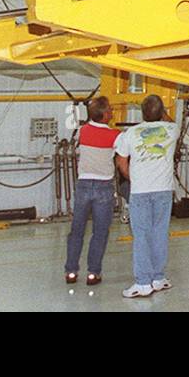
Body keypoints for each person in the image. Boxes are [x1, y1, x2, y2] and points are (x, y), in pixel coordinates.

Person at [115, 94, 177, 298]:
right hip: (164, 190)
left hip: (140, 191)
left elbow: (121, 162)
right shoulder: (171, 130)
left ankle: (143, 283)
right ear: (161, 112)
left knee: (141, 236)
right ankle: (158, 278)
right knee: (160, 232)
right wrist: (162, 114)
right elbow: (169, 120)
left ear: (142, 113)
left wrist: (132, 178)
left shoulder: (130, 134)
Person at [64, 96, 119, 286]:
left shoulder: (82, 131)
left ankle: (71, 271)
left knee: (77, 230)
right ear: (104, 115)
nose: (112, 112)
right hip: (104, 187)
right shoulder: (115, 135)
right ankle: (93, 273)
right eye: (110, 109)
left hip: (83, 186)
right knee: (100, 232)